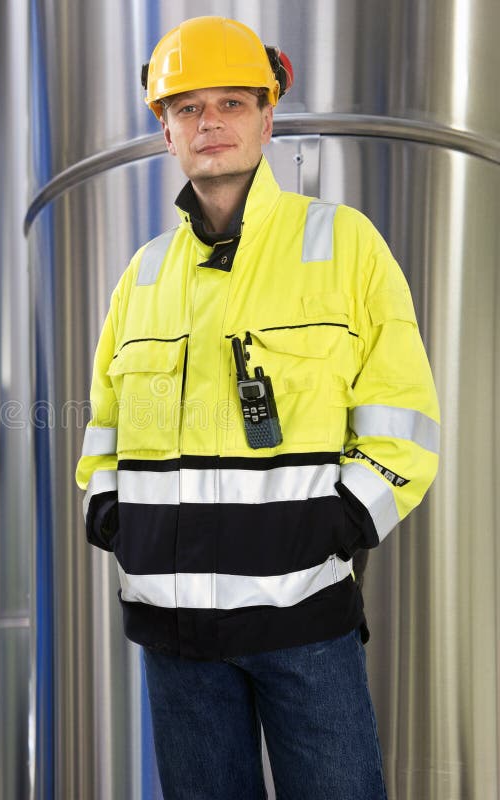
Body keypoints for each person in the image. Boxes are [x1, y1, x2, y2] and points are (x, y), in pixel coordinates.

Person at [75, 15, 439, 800]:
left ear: (267, 119)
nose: (210, 123)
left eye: (232, 103)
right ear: (165, 130)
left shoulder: (344, 246)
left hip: (303, 625)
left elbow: (404, 420)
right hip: (173, 638)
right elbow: (103, 419)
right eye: (188, 108)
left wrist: (339, 526)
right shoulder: (141, 275)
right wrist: (109, 510)